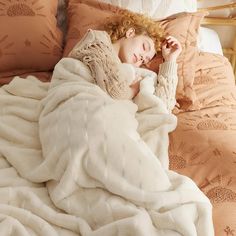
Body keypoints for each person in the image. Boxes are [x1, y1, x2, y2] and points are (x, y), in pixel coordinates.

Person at [68, 10, 182, 112]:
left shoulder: (130, 74)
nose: (142, 58)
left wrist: (170, 60)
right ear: (130, 33)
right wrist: (134, 89)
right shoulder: (96, 40)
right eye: (144, 47)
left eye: (144, 60)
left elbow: (162, 108)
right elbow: (116, 92)